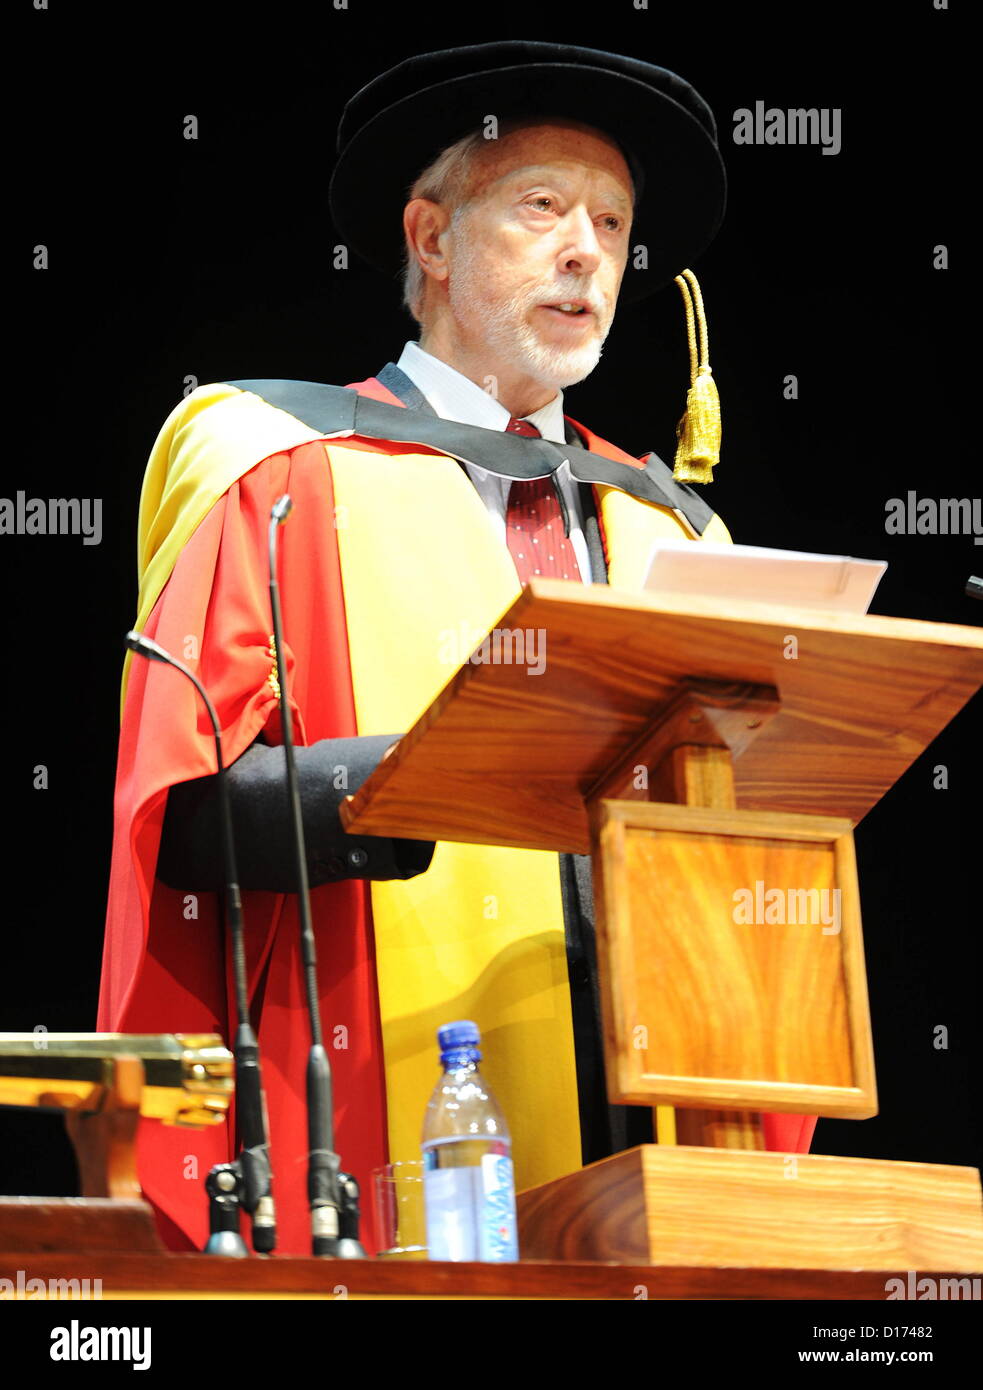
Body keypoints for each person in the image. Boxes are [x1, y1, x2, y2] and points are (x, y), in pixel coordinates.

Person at [98, 41, 815, 1257]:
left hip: (652, 1136)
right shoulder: (276, 467)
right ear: (429, 238)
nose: (585, 249)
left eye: (610, 220)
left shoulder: (667, 529)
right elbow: (177, 815)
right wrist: (425, 773)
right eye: (541, 206)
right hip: (375, 1113)